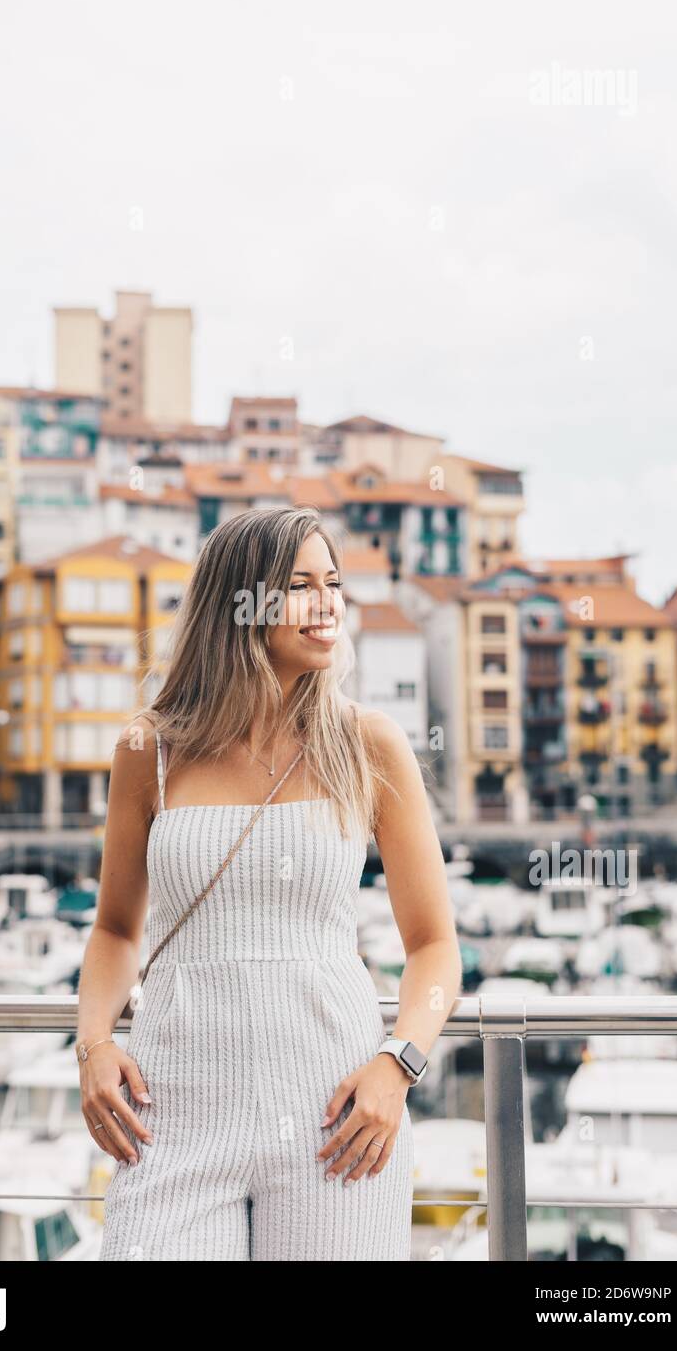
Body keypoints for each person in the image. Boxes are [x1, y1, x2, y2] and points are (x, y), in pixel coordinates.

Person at [78, 506, 461, 1261]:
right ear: (239, 603)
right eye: (299, 586)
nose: (326, 605)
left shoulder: (369, 743)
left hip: (338, 1114)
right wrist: (93, 1046)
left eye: (334, 584)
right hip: (174, 1111)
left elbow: (435, 944)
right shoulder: (147, 748)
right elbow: (117, 930)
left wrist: (399, 1064)